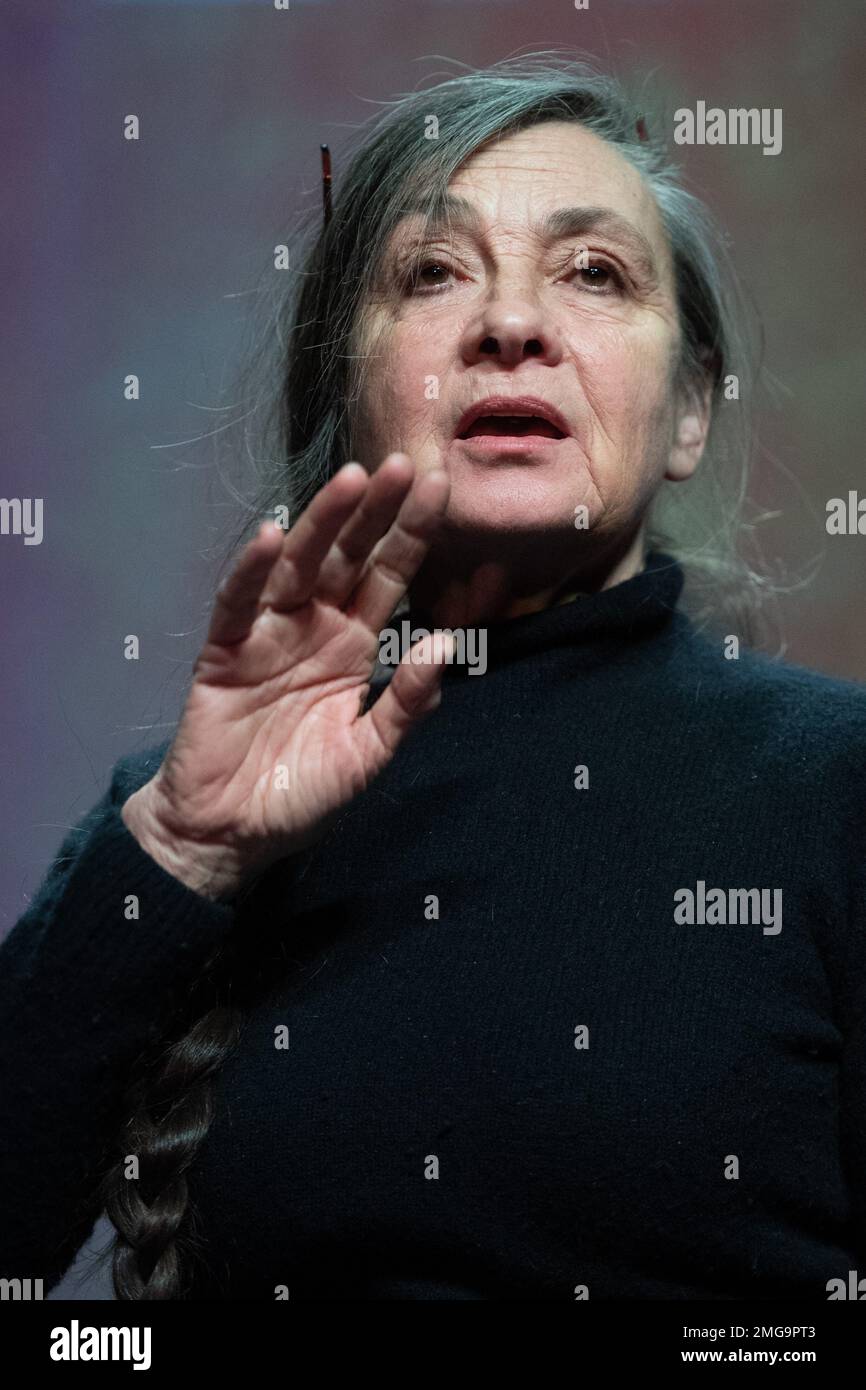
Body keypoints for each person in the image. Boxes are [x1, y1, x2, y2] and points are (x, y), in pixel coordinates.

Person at [2, 57, 865, 1302]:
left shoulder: (832, 788)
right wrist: (180, 854)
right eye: (433, 271)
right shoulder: (188, 816)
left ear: (684, 410)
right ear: (348, 393)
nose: (510, 324)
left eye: (592, 273)